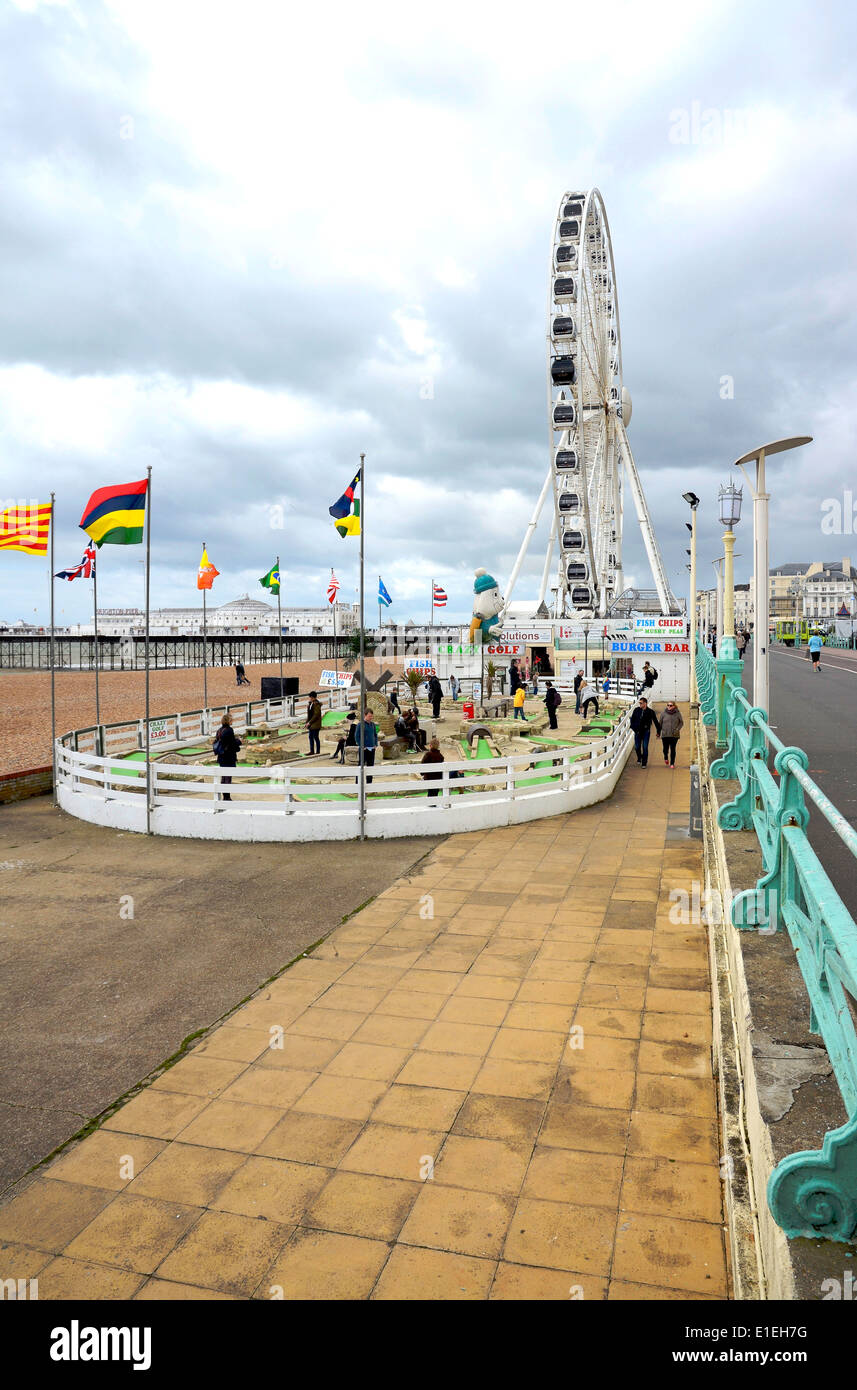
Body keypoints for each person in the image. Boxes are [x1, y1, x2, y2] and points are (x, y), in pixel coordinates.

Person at [213, 712, 241, 800]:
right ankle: (227, 797)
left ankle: (225, 795)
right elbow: (232, 743)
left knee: (223, 777)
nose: (232, 721)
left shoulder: (219, 731)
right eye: (231, 720)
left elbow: (224, 742)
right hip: (229, 757)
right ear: (228, 721)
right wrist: (239, 742)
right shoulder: (229, 730)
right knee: (228, 777)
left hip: (221, 757)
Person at [630, 696, 660, 769]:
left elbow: (656, 722)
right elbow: (632, 720)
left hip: (646, 732)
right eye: (639, 703)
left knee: (645, 747)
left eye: (641, 703)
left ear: (645, 703)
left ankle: (644, 763)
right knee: (637, 747)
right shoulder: (636, 710)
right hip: (637, 732)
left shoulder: (650, 712)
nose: (639, 704)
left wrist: (658, 732)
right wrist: (634, 729)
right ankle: (639, 757)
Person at [355, 709, 378, 782]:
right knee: (360, 766)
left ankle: (369, 784)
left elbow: (375, 735)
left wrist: (375, 744)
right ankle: (357, 783)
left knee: (371, 767)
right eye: (369, 716)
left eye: (371, 716)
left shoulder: (373, 724)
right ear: (365, 715)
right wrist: (362, 746)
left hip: (372, 749)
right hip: (364, 750)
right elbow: (357, 736)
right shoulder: (360, 724)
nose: (371, 717)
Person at [659, 700, 684, 768]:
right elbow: (660, 723)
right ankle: (666, 757)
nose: (669, 706)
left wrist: (677, 729)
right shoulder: (663, 713)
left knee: (673, 749)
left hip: (674, 735)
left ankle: (672, 763)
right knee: (665, 749)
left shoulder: (677, 713)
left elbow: (681, 722)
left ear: (674, 706)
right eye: (668, 705)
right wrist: (658, 732)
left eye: (670, 705)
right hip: (665, 734)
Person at [305, 690, 323, 755]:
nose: (309, 698)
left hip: (315, 724)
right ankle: (312, 751)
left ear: (313, 697)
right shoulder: (311, 704)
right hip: (311, 724)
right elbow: (309, 715)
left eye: (310, 697)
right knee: (311, 737)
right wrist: (307, 722)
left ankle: (317, 751)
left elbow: (316, 715)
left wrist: (309, 722)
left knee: (315, 737)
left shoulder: (316, 704)